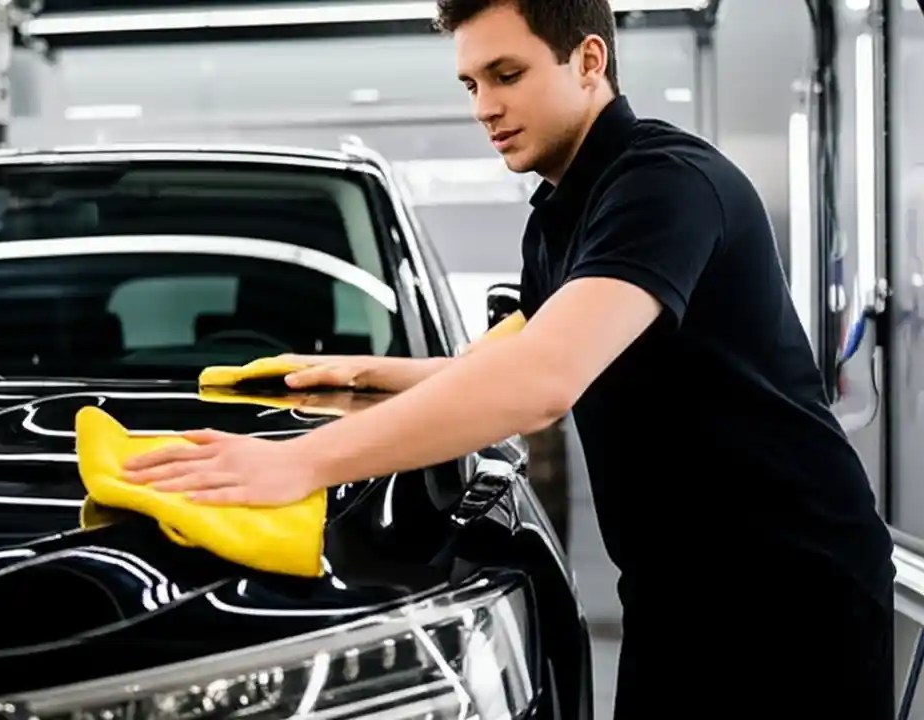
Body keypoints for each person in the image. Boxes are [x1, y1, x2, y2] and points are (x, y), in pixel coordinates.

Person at [123, 0, 897, 715]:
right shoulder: (559, 214)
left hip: (791, 592)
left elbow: (542, 384)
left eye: (507, 75)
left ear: (589, 60)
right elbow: (520, 352)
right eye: (470, 83)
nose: (485, 107)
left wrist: (299, 465)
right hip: (678, 593)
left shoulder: (665, 187)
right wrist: (367, 375)